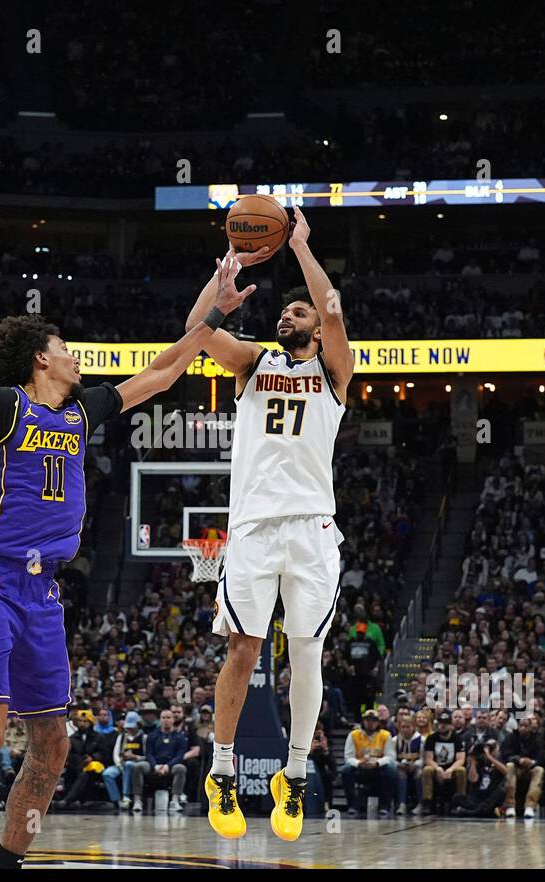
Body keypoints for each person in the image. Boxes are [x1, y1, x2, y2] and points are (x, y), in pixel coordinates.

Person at [0, 257, 251, 869]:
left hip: (44, 592)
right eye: (65, 347)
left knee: (53, 746)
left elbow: (168, 369)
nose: (75, 356)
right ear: (40, 358)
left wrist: (218, 308)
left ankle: (6, 866)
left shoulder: (82, 410)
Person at [193, 207, 354, 843]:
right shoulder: (253, 364)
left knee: (309, 653)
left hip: (313, 526)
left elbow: (336, 312)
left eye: (299, 312)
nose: (288, 315)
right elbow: (199, 334)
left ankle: (293, 775)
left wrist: (302, 246)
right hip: (256, 525)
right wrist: (225, 276)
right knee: (246, 648)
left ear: (315, 328)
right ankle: (222, 769)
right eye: (285, 311)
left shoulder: (334, 372)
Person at [340, 709, 396, 816]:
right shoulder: (354, 735)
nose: (370, 723)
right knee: (345, 770)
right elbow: (348, 757)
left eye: (374, 720)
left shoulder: (385, 735)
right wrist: (359, 763)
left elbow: (390, 756)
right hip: (360, 768)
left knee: (391, 769)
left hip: (378, 768)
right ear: (363, 721)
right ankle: (352, 806)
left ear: (378, 722)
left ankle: (384, 806)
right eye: (367, 720)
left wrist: (377, 762)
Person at [422, 709, 467, 814]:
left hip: (452, 767)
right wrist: (437, 768)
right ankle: (427, 802)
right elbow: (428, 758)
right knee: (427, 770)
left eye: (445, 724)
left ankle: (459, 802)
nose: (442, 726)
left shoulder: (457, 738)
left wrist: (451, 769)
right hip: (436, 766)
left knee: (462, 770)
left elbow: (461, 759)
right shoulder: (431, 738)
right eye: (441, 723)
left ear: (451, 725)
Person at [501, 713, 545, 818]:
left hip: (531, 769)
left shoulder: (537, 738)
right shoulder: (511, 737)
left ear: (531, 727)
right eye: (521, 725)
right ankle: (510, 805)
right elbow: (506, 754)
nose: (523, 728)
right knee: (510, 766)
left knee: (540, 770)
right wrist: (519, 760)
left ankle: (530, 805)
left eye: (526, 726)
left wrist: (532, 762)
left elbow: (541, 757)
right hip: (516, 768)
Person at [108, 711, 149, 811]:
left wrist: (135, 757)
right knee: (107, 774)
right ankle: (117, 800)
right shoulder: (121, 736)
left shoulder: (144, 737)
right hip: (121, 765)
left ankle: (126, 796)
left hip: (136, 764)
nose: (129, 728)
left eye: (132, 726)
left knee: (129, 765)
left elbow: (147, 756)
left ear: (138, 725)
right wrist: (119, 765)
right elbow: (116, 753)